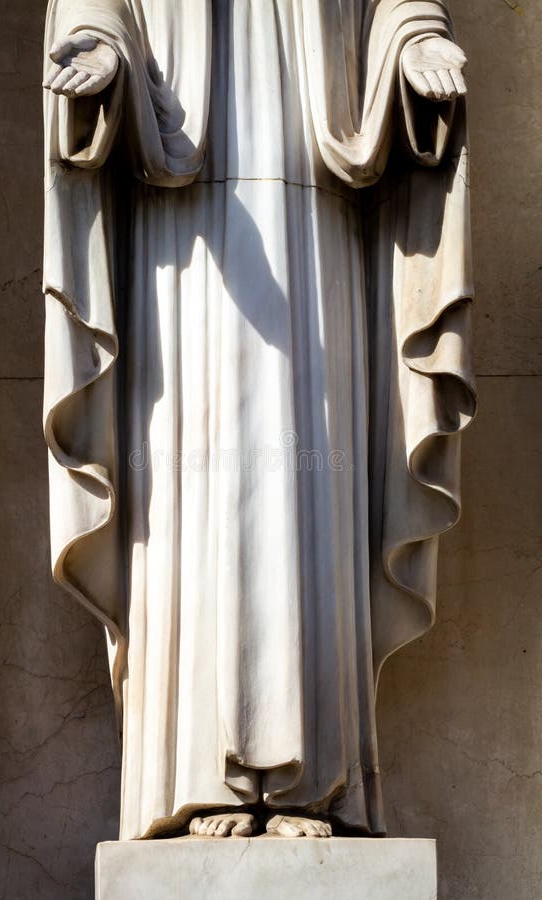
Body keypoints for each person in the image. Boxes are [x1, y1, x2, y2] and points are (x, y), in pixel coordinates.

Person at [42, 0, 475, 840]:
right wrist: (100, 52)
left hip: (320, 216)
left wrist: (414, 39)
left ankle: (319, 786)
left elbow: (394, 7)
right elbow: (98, 14)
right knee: (191, 495)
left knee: (311, 495)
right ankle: (197, 777)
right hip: (183, 226)